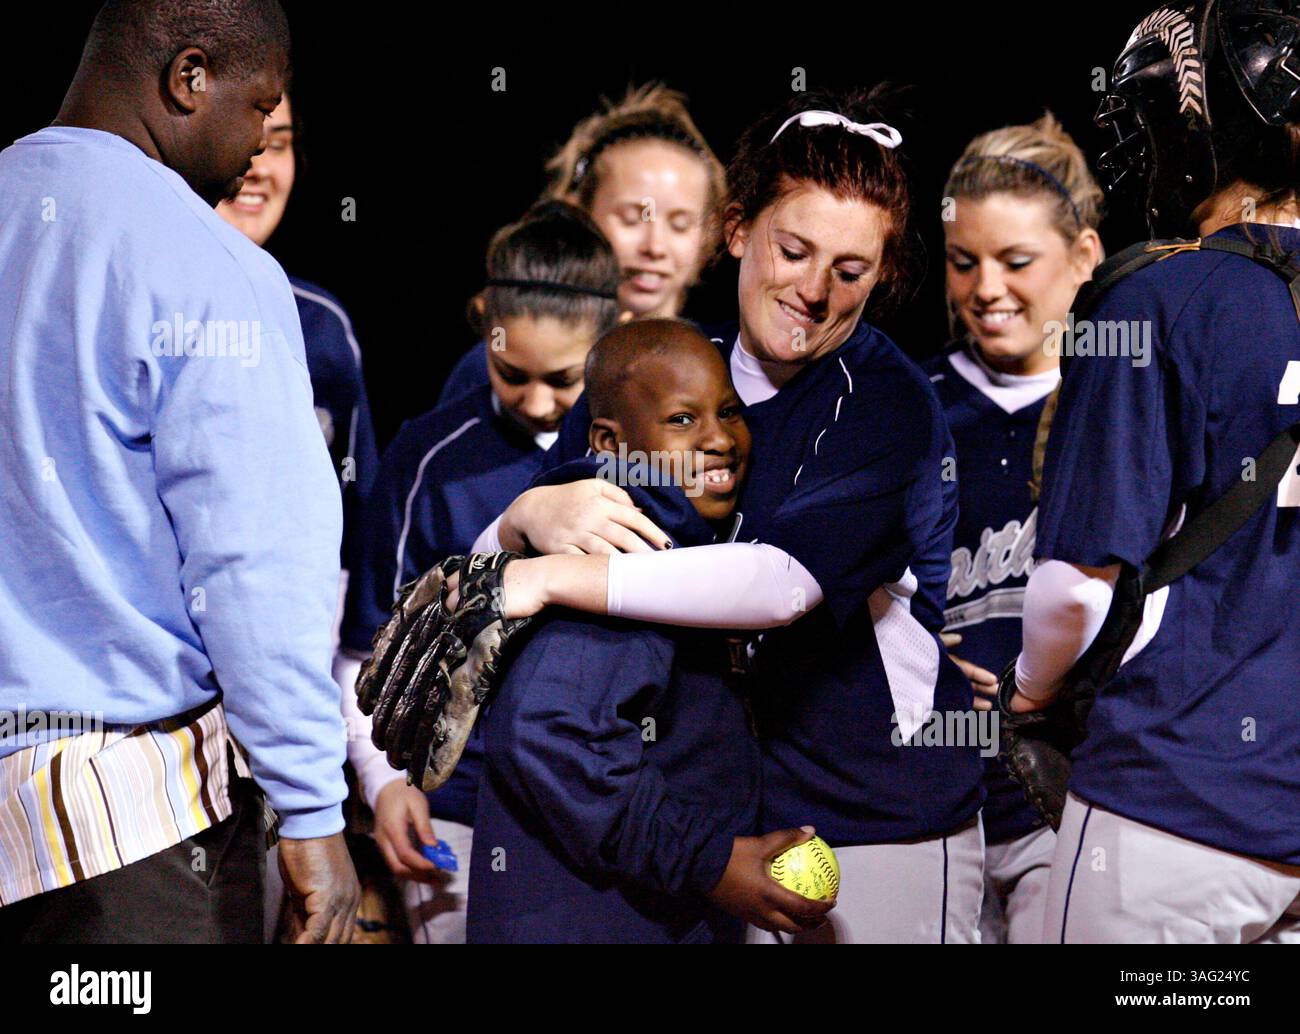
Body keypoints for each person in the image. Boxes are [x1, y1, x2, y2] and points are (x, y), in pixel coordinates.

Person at [465, 88, 987, 943]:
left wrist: (553, 569)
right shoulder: (667, 371)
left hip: (882, 815)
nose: (814, 289)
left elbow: (778, 585)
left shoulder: (887, 403)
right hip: (726, 830)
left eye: (850, 271)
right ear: (738, 230)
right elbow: (502, 567)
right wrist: (521, 521)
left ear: (884, 278)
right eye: (793, 249)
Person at [0, 0, 359, 943]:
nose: (258, 146)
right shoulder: (212, 268)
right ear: (188, 77)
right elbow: (255, 569)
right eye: (260, 108)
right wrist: (314, 813)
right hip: (124, 841)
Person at [1005, 0, 1300, 943]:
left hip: (1175, 811)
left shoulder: (1163, 296)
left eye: (1152, 117)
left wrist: (1030, 694)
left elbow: (1073, 593)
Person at [467, 319, 832, 943]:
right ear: (610, 440)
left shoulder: (673, 534)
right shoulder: (620, 540)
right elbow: (548, 732)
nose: (719, 438)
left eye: (729, 412)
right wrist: (708, 861)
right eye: (683, 420)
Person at [335, 201, 624, 943]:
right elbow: (368, 649)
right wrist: (385, 781)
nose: (535, 402)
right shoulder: (430, 457)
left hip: (618, 803)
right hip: (461, 803)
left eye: (563, 378)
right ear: (482, 325)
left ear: (612, 338)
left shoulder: (654, 453)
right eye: (510, 373)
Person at [923, 114, 1102, 943]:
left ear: (1085, 257)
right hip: (927, 800)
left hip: (1070, 798)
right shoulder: (909, 402)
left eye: (1017, 261)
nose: (986, 288)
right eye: (965, 263)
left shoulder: (1123, 404)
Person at [437, 83, 724, 405]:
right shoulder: (504, 363)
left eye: (680, 225)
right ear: (579, 215)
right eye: (631, 219)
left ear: (708, 235)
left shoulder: (723, 368)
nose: (654, 246)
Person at [216, 91, 379, 589]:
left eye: (279, 145)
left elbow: (359, 512)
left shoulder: (322, 328)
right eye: (245, 140)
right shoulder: (125, 306)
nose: (261, 166)